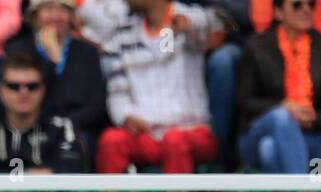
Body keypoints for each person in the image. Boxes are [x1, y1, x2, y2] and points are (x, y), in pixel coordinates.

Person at [80, 0, 221, 174]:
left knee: (174, 140)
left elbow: (216, 21)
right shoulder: (123, 33)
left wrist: (188, 22)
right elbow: (117, 91)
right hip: (147, 135)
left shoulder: (188, 21)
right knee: (111, 140)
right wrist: (126, 116)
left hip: (191, 131)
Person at [236, 0, 321, 174]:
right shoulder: (255, 47)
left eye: (311, 4)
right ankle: (303, 189)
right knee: (281, 117)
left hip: (315, 136)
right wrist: (283, 107)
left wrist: (314, 118)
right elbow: (244, 102)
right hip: (259, 133)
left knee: (270, 149)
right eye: (297, 5)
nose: (305, 10)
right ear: (278, 12)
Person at [4, 0, 108, 157]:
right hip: (29, 129)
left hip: (77, 130)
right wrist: (52, 63)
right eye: (48, 9)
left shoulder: (87, 52)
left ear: (71, 16)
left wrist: (64, 125)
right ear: (35, 15)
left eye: (63, 10)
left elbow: (96, 106)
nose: (56, 16)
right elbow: (18, 98)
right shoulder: (18, 50)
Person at [0, 52, 88, 174]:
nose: (23, 93)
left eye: (32, 86)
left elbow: (68, 175)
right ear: (1, 90)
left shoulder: (61, 128)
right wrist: (37, 174)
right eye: (14, 86)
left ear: (43, 89)